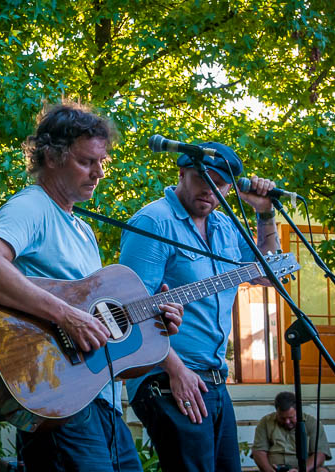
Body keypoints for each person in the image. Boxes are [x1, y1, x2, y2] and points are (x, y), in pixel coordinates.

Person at [0, 101, 183, 472]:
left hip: (97, 400)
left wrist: (153, 323)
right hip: (56, 396)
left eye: (102, 162)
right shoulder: (32, 207)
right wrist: (67, 316)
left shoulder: (82, 229)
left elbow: (102, 338)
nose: (99, 172)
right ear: (51, 157)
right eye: (86, 161)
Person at [119, 142, 280, 472]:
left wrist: (265, 213)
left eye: (220, 184)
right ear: (181, 173)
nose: (210, 190)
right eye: (201, 178)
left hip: (214, 382)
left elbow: (270, 275)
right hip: (165, 379)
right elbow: (130, 311)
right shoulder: (154, 222)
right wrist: (177, 372)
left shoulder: (226, 227)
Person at [252, 391, 331, 472]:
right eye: (282, 418)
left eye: (291, 417)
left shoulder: (312, 423)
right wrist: (269, 470)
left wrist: (301, 470)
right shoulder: (265, 422)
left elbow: (320, 454)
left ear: (298, 411)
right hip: (274, 469)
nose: (287, 422)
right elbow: (258, 452)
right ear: (277, 412)